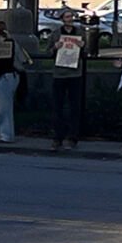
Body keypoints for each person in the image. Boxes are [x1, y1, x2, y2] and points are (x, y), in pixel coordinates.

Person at [49, 9, 88, 151]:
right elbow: (48, 51)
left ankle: (73, 138)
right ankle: (57, 138)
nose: (70, 19)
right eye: (67, 16)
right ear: (62, 19)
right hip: (59, 74)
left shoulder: (80, 33)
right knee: (57, 107)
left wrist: (83, 48)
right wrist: (55, 47)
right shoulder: (56, 34)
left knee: (74, 107)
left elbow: (87, 51)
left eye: (71, 16)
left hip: (75, 74)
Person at [0, 18, 27, 144]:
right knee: (1, 106)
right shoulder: (9, 42)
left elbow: (3, 62)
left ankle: (6, 134)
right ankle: (0, 133)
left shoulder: (6, 44)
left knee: (4, 107)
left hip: (7, 75)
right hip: (7, 75)